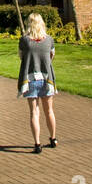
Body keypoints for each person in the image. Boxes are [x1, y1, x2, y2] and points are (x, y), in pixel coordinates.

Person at [18, 12, 58, 153]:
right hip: (47, 79)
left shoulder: (24, 41)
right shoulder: (49, 40)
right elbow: (51, 55)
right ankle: (53, 138)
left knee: (34, 112)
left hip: (30, 79)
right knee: (49, 111)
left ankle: (37, 143)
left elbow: (21, 56)